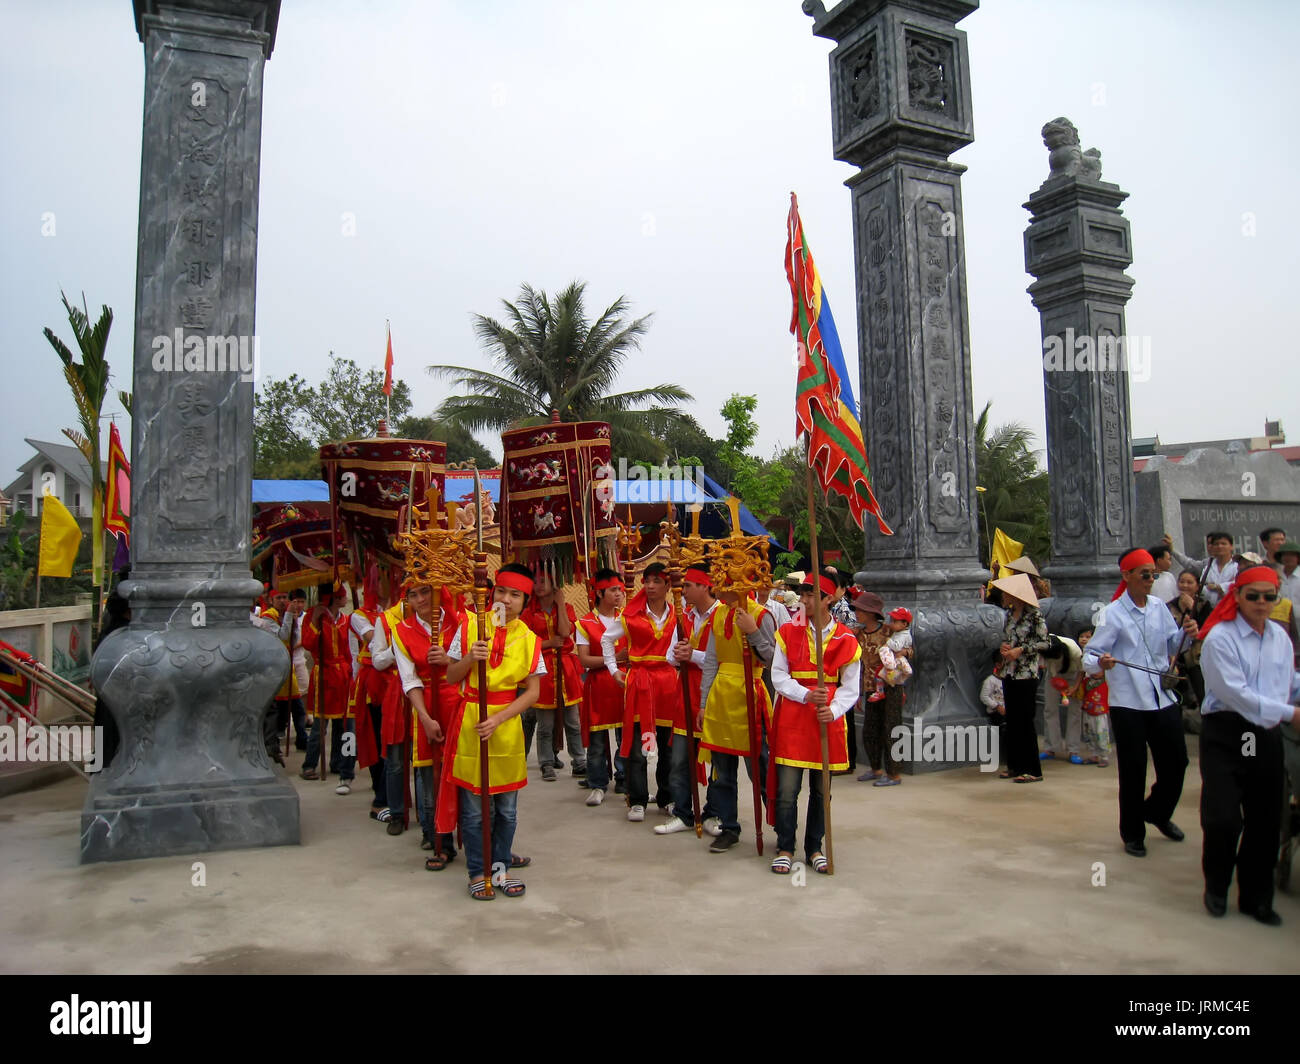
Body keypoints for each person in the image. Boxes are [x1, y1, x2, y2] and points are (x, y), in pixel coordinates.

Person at [433, 564, 544, 900]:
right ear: (491, 593)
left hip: (506, 728)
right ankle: (477, 872)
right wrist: (470, 657)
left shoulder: (529, 639)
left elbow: (533, 692)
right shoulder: (468, 625)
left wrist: (499, 718)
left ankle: (500, 869)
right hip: (470, 721)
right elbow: (451, 676)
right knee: (473, 808)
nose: (506, 600)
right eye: (501, 592)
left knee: (506, 808)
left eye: (515, 595)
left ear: (525, 601)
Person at [1197, 564, 1299, 925]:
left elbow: (1288, 682)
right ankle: (1217, 886)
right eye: (1252, 596)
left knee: (1266, 819)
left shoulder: (1279, 639)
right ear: (1237, 597)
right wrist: (1290, 712)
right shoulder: (1221, 638)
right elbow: (1235, 694)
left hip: (1263, 736)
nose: (1261, 603)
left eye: (1268, 597)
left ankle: (1256, 897)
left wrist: (1290, 705)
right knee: (1223, 817)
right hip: (1231, 733)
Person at [1082, 549, 1200, 857]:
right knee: (1133, 771)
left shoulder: (1160, 607)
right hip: (1129, 702)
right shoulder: (1113, 614)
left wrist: (1188, 632)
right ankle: (1133, 832)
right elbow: (1089, 655)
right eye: (1145, 574)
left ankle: (1157, 812)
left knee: (1177, 763)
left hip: (1162, 697)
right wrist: (1102, 663)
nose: (1151, 580)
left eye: (1154, 574)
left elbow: (1172, 644)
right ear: (1127, 576)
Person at [767, 572, 861, 874]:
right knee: (787, 789)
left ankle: (815, 847)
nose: (804, 601)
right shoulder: (787, 631)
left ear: (828, 599)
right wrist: (806, 695)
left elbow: (851, 686)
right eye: (803, 595)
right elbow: (778, 675)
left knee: (821, 791)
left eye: (811, 595)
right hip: (794, 714)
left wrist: (833, 710)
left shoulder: (846, 639)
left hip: (826, 717)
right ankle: (784, 845)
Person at [696, 570, 777, 851]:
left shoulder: (761, 615)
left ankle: (781, 824)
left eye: (721, 581)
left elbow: (773, 658)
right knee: (722, 770)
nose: (716, 586)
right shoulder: (718, 615)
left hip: (750, 694)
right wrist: (704, 702)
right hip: (722, 697)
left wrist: (753, 632)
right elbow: (710, 661)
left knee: (762, 768)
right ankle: (729, 826)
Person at [601, 562, 681, 824]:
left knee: (668, 746)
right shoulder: (630, 616)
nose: (650, 586)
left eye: (657, 581)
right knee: (638, 745)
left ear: (668, 585)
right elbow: (606, 639)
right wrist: (613, 670)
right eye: (647, 581)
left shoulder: (679, 614)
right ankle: (637, 799)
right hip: (640, 682)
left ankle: (667, 797)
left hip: (668, 683)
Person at [390, 582, 462, 859]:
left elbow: (474, 661)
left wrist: (447, 661)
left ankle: (471, 833)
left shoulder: (461, 620)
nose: (420, 600)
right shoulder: (401, 631)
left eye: (424, 592)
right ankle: (437, 839)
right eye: (412, 595)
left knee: (463, 772)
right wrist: (425, 717)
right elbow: (410, 679)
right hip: (426, 705)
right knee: (428, 775)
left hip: (458, 700)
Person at [658, 566, 719, 835]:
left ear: (705, 586)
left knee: (717, 760)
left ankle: (714, 813)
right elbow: (670, 657)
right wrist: (680, 653)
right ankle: (683, 812)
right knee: (679, 758)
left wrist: (692, 655)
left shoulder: (721, 615)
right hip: (684, 693)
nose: (684, 591)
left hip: (714, 694)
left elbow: (722, 660)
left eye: (690, 585)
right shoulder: (685, 617)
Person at [520, 570, 586, 782]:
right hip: (543, 670)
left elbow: (566, 633)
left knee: (573, 721)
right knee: (545, 724)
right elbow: (524, 642)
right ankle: (546, 763)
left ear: (554, 584)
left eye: (544, 581)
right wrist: (548, 644)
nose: (539, 585)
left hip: (566, 669)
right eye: (536, 581)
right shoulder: (529, 612)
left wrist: (560, 604)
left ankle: (579, 761)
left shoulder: (566, 608)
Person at [991, 572, 1051, 784]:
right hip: (1009, 671)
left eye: (1007, 593)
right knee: (1013, 720)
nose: (1003, 596)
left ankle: (1032, 768)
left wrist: (1021, 650)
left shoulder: (1034, 615)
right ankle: (1014, 765)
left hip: (1027, 672)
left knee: (1026, 720)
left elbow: (1045, 643)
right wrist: (1005, 648)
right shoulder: (1008, 615)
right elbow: (1007, 638)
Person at [575, 570, 628, 806]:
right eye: (614, 590)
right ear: (599, 593)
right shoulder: (585, 623)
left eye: (620, 589)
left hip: (624, 684)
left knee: (625, 737)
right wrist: (616, 657)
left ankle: (624, 778)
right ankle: (597, 783)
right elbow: (584, 660)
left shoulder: (627, 617)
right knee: (597, 740)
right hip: (598, 686)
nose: (619, 593)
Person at [301, 585, 355, 786]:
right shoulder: (312, 616)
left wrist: (350, 671)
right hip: (323, 674)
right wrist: (315, 620)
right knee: (319, 726)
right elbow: (308, 643)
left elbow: (349, 649)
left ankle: (338, 762)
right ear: (332, 598)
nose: (345, 598)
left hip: (342, 675)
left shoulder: (346, 620)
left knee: (343, 725)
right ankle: (309, 764)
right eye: (341, 596)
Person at [857, 592, 906, 785]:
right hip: (870, 686)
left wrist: (905, 652)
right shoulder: (858, 634)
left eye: (860, 610)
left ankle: (894, 773)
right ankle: (875, 768)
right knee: (870, 729)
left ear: (870, 613)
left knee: (891, 728)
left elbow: (909, 649)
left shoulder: (889, 631)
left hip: (890, 685)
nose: (857, 613)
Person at [347, 586, 389, 815]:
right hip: (372, 681)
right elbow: (374, 639)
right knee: (373, 735)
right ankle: (379, 792)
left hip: (395, 680)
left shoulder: (392, 611)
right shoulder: (358, 615)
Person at [1168, 569, 1212, 710]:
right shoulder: (1169, 606)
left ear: (1197, 586)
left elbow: (1207, 629)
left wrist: (1193, 608)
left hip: (1197, 657)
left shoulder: (1204, 605)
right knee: (1177, 697)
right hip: (1176, 658)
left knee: (1202, 693)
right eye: (1182, 582)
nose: (1185, 586)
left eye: (1189, 582)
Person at [1039, 634, 1084, 763]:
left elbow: (1082, 670)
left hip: (1073, 675)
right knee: (1050, 709)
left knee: (1075, 711)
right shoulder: (1044, 643)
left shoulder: (1074, 650)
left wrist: (1075, 687)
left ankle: (1073, 750)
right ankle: (1051, 748)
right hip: (1053, 676)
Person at [1165, 531, 1238, 608]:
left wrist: (1218, 587)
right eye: (1216, 544)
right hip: (1210, 611)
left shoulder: (1238, 565)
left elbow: (1239, 586)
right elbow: (1203, 589)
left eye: (1223, 544)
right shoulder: (1207, 566)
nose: (1220, 546)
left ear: (1231, 546)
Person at [1075, 628, 1111, 766]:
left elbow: (1101, 671)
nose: (1084, 639)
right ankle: (1094, 754)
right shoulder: (1083, 656)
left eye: (1088, 637)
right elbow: (1081, 673)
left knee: (1100, 728)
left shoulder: (1100, 654)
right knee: (1089, 728)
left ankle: (1104, 756)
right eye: (1082, 636)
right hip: (1088, 697)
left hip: (1099, 698)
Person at [1276, 541, 1300, 617]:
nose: (1288, 558)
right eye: (1285, 555)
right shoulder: (1276, 575)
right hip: (1281, 619)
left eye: (1292, 555)